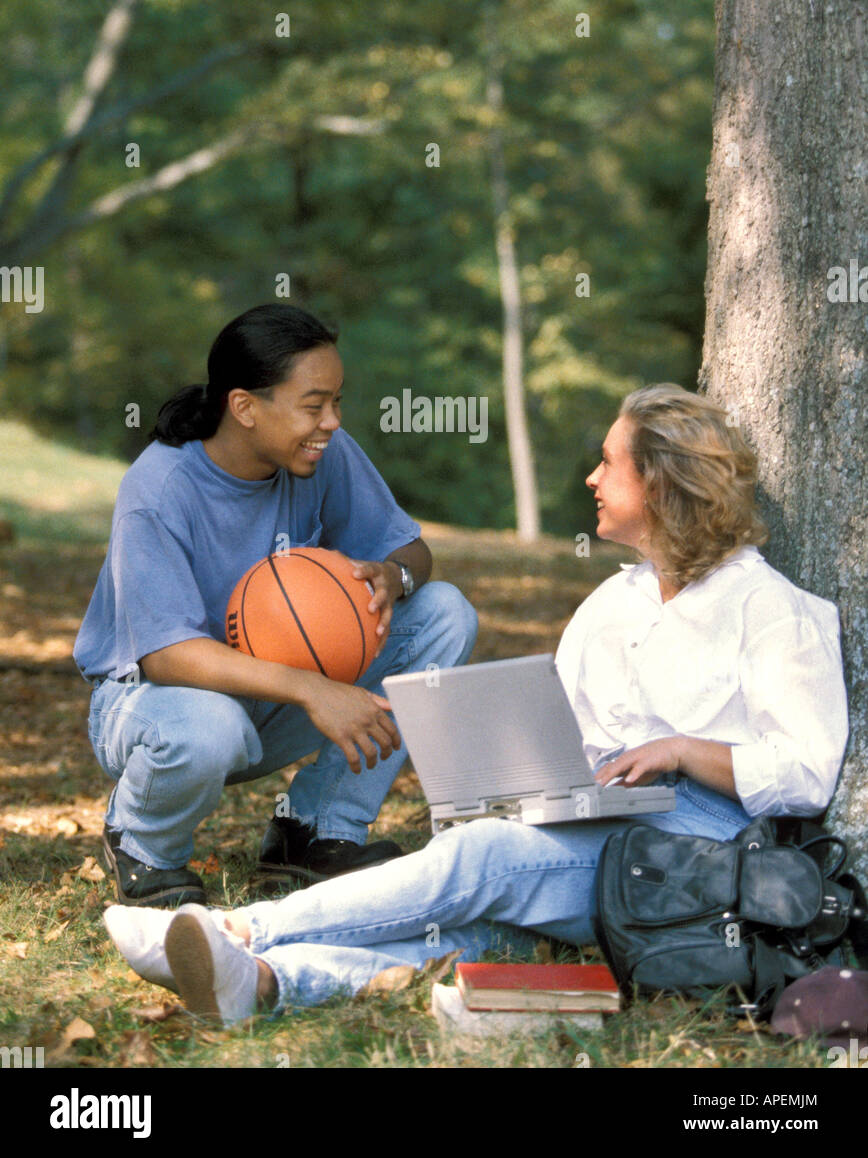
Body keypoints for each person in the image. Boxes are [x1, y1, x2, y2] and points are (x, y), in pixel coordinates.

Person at [103, 383, 849, 1021]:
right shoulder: (609, 605)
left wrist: (683, 750)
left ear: (658, 484)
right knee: (481, 929)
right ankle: (265, 985)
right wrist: (516, 778)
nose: (591, 478)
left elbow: (806, 772)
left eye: (609, 463)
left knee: (480, 862)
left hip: (693, 851)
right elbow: (573, 740)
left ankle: (239, 931)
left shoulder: (770, 609)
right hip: (610, 826)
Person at [75, 303, 478, 907]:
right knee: (207, 723)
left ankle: (314, 830)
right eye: (314, 405)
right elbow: (165, 658)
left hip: (268, 692)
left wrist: (395, 577)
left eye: (337, 402)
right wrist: (314, 689)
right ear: (244, 407)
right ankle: (143, 843)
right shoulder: (157, 489)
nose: (333, 422)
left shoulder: (320, 454)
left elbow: (410, 550)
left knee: (444, 611)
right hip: (155, 706)